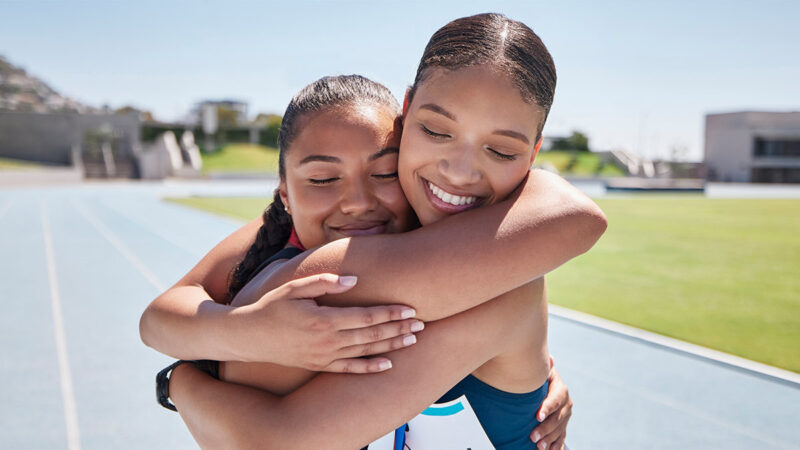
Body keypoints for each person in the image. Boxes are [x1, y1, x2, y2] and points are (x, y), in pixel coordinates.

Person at [140, 13, 605, 450]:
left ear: (533, 154)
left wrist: (180, 380)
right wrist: (239, 335)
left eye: (501, 151)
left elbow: (577, 216)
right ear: (406, 114)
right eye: (436, 131)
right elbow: (160, 316)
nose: (459, 173)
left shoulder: (502, 282)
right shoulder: (313, 242)